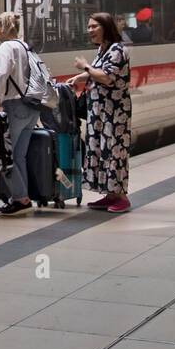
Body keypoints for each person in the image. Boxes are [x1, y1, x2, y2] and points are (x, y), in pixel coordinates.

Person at [69, 12, 132, 214]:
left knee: (114, 151)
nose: (90, 30)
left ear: (106, 27)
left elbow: (107, 77)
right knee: (102, 151)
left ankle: (121, 197)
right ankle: (110, 193)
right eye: (88, 27)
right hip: (100, 113)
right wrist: (79, 77)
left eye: (94, 26)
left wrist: (85, 66)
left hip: (114, 114)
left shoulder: (117, 50)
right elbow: (96, 71)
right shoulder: (103, 50)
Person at [0, 11, 40, 216]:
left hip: (15, 107)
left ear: (1, 28)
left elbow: (1, 74)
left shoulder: (6, 47)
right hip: (32, 107)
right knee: (19, 156)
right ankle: (22, 197)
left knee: (4, 155)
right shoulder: (26, 47)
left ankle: (21, 198)